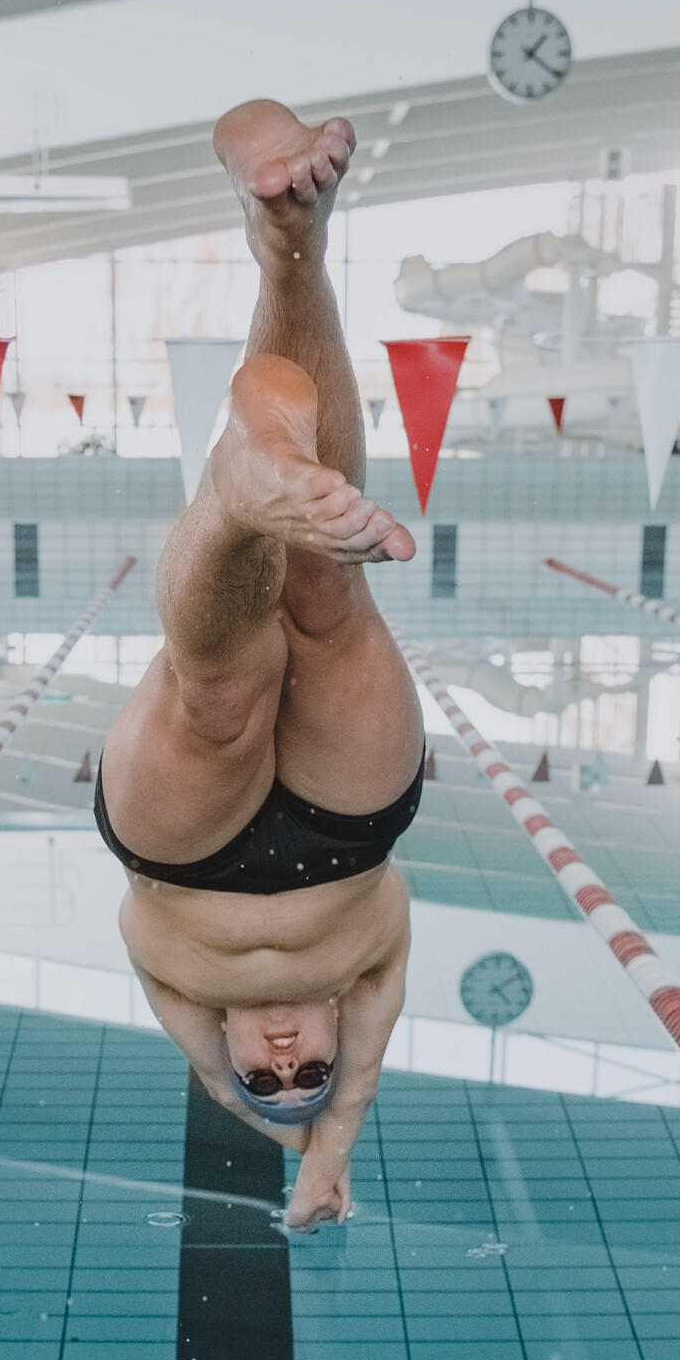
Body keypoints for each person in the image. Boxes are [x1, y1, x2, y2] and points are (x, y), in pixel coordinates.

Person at [106, 99, 422, 1233]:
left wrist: (293, 1150)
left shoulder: (189, 1005)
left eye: (263, 1076)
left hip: (179, 853)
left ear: (223, 1056)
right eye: (311, 1071)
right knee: (328, 593)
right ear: (344, 1033)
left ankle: (238, 504)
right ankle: (290, 242)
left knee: (219, 692)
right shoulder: (367, 995)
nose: (286, 1057)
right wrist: (327, 1148)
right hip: (348, 831)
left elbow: (248, 1094)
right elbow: (355, 1092)